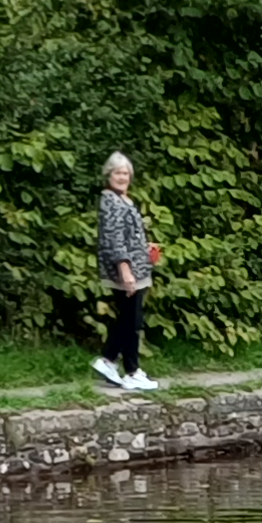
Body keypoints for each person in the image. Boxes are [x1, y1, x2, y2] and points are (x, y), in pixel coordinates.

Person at [95, 154, 161, 394]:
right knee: (132, 321)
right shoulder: (111, 201)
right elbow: (114, 239)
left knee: (128, 318)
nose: (122, 177)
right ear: (109, 175)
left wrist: (144, 247)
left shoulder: (123, 200)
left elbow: (128, 235)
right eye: (117, 173)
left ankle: (108, 361)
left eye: (125, 173)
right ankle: (132, 372)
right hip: (127, 271)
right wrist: (125, 270)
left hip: (136, 266)